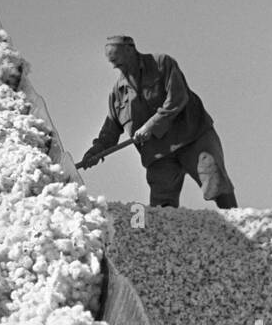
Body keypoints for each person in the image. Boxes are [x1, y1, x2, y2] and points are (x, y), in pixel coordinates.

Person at [78, 35, 236, 209]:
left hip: (193, 137)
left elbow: (177, 98)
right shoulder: (118, 94)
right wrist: (95, 152)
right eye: (112, 63)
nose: (115, 66)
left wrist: (150, 126)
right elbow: (109, 132)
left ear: (130, 50)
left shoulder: (161, 64)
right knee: (162, 206)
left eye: (118, 60)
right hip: (159, 154)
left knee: (214, 181)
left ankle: (237, 220)